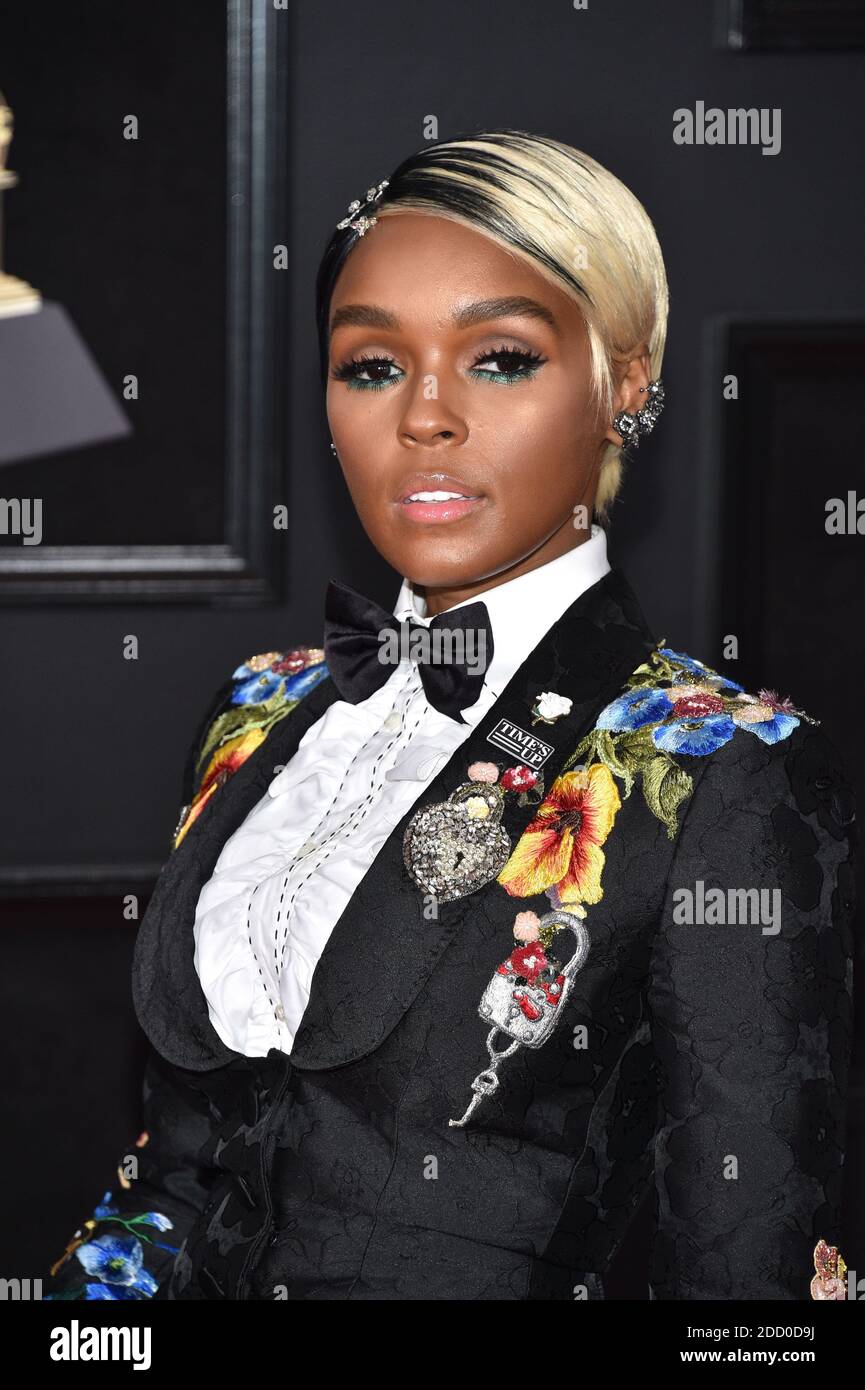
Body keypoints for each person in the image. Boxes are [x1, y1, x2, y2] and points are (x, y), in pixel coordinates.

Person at [45, 129, 855, 1302]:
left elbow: (747, 1278)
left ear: (626, 380)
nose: (425, 415)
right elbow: (171, 1181)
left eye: (499, 358)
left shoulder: (725, 764)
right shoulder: (256, 705)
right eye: (371, 366)